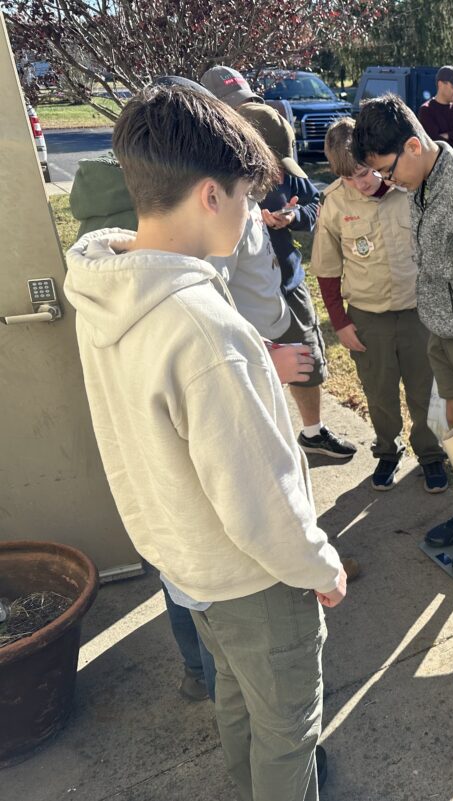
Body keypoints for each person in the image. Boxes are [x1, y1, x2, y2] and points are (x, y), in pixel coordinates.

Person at [64, 86, 346, 801]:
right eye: (249, 198)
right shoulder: (201, 327)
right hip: (255, 576)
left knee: (236, 700)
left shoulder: (109, 290)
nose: (254, 215)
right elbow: (258, 495)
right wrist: (319, 565)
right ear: (211, 196)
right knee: (289, 728)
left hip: (191, 566)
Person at [352, 94, 453, 573]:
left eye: (387, 171)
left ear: (411, 145)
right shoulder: (423, 181)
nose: (387, 182)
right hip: (444, 333)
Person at [202, 64, 356, 459]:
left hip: (286, 277)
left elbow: (313, 202)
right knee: (251, 371)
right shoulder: (209, 171)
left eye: (246, 101)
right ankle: (262, 443)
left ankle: (312, 431)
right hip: (240, 291)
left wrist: (292, 218)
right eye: (233, 107)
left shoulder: (275, 140)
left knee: (305, 357)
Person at [311, 117, 448, 493]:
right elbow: (326, 270)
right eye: (351, 177)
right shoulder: (335, 203)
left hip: (418, 311)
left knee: (424, 388)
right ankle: (388, 450)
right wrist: (339, 322)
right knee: (380, 391)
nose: (363, 182)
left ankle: (431, 454)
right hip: (368, 317)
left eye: (366, 170)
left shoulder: (409, 188)